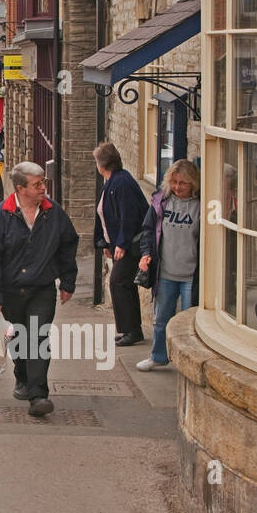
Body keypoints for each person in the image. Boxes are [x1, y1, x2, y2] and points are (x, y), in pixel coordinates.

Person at [0, 161, 79, 417]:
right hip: (11, 290)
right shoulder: (2, 215)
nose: (43, 188)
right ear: (20, 188)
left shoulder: (53, 212)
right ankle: (21, 374)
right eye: (38, 185)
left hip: (41, 288)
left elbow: (69, 243)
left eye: (43, 182)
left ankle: (38, 395)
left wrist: (67, 281)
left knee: (38, 337)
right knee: (17, 337)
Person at [135, 159, 201, 371]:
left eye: (183, 183)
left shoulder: (201, 206)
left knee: (191, 324)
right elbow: (147, 231)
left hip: (192, 275)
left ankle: (190, 362)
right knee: (161, 319)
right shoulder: (161, 202)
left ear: (193, 183)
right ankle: (158, 356)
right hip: (165, 273)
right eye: (174, 182)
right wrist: (146, 254)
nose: (177, 187)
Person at [93, 142, 149, 346]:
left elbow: (128, 217)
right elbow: (104, 215)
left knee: (117, 282)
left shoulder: (121, 183)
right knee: (124, 284)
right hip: (118, 244)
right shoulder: (112, 181)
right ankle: (132, 329)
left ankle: (130, 330)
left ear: (101, 164)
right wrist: (106, 242)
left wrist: (122, 244)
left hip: (131, 246)